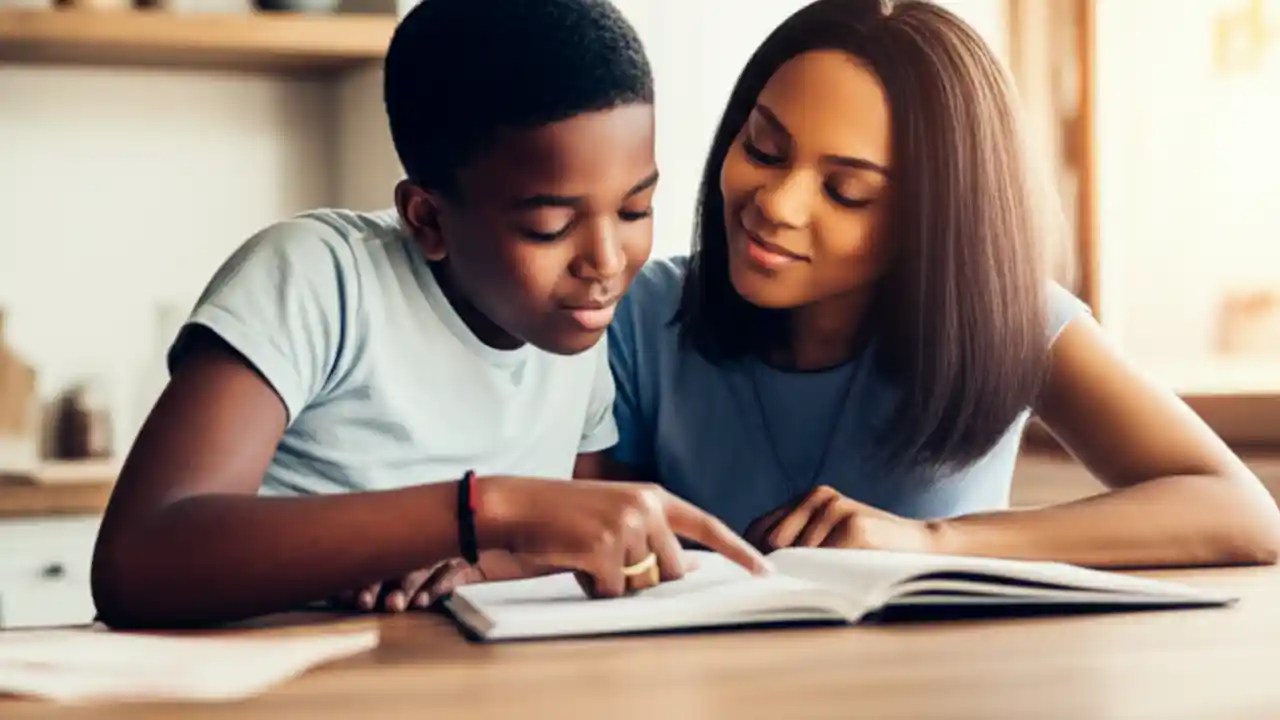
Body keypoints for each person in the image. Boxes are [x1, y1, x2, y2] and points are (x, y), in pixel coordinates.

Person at [90, 0, 768, 630]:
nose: (605, 260)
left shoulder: (572, 326)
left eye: (633, 211)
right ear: (427, 218)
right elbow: (137, 561)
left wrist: (483, 563)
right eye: (549, 226)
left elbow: (570, 544)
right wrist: (482, 509)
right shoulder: (321, 278)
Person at [606, 0, 1280, 568]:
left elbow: (1243, 515)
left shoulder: (1010, 322)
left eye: (846, 192)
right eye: (762, 148)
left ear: (933, 220)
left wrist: (935, 541)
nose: (776, 204)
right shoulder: (639, 315)